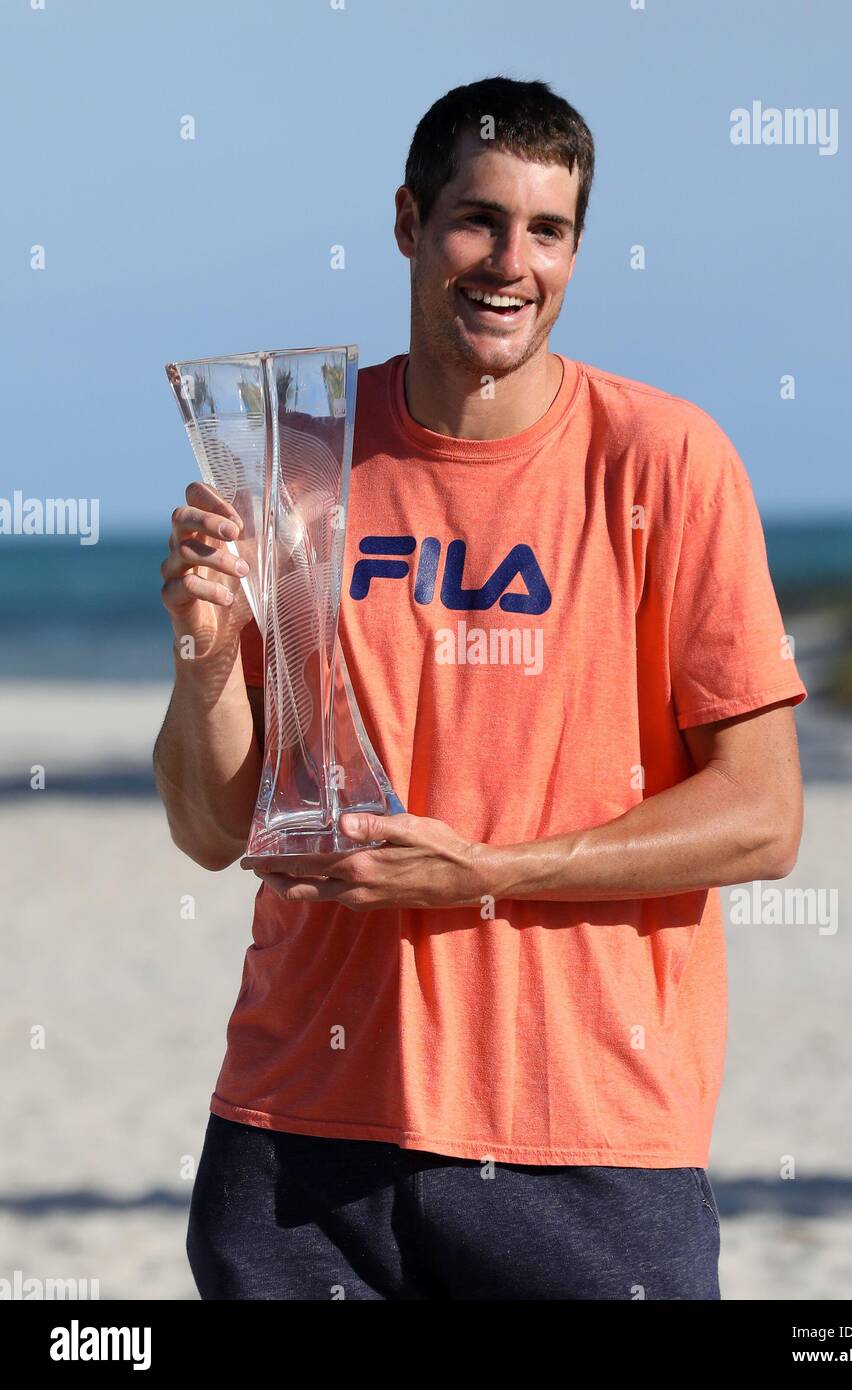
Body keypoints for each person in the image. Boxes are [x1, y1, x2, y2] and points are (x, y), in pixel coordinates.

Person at [153, 75, 806, 1301]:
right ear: (407, 221)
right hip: (300, 1130)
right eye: (476, 219)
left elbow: (762, 817)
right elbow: (209, 829)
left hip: (584, 1135)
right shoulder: (299, 458)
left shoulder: (663, 460)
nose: (511, 261)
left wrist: (495, 870)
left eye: (546, 230)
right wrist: (200, 650)